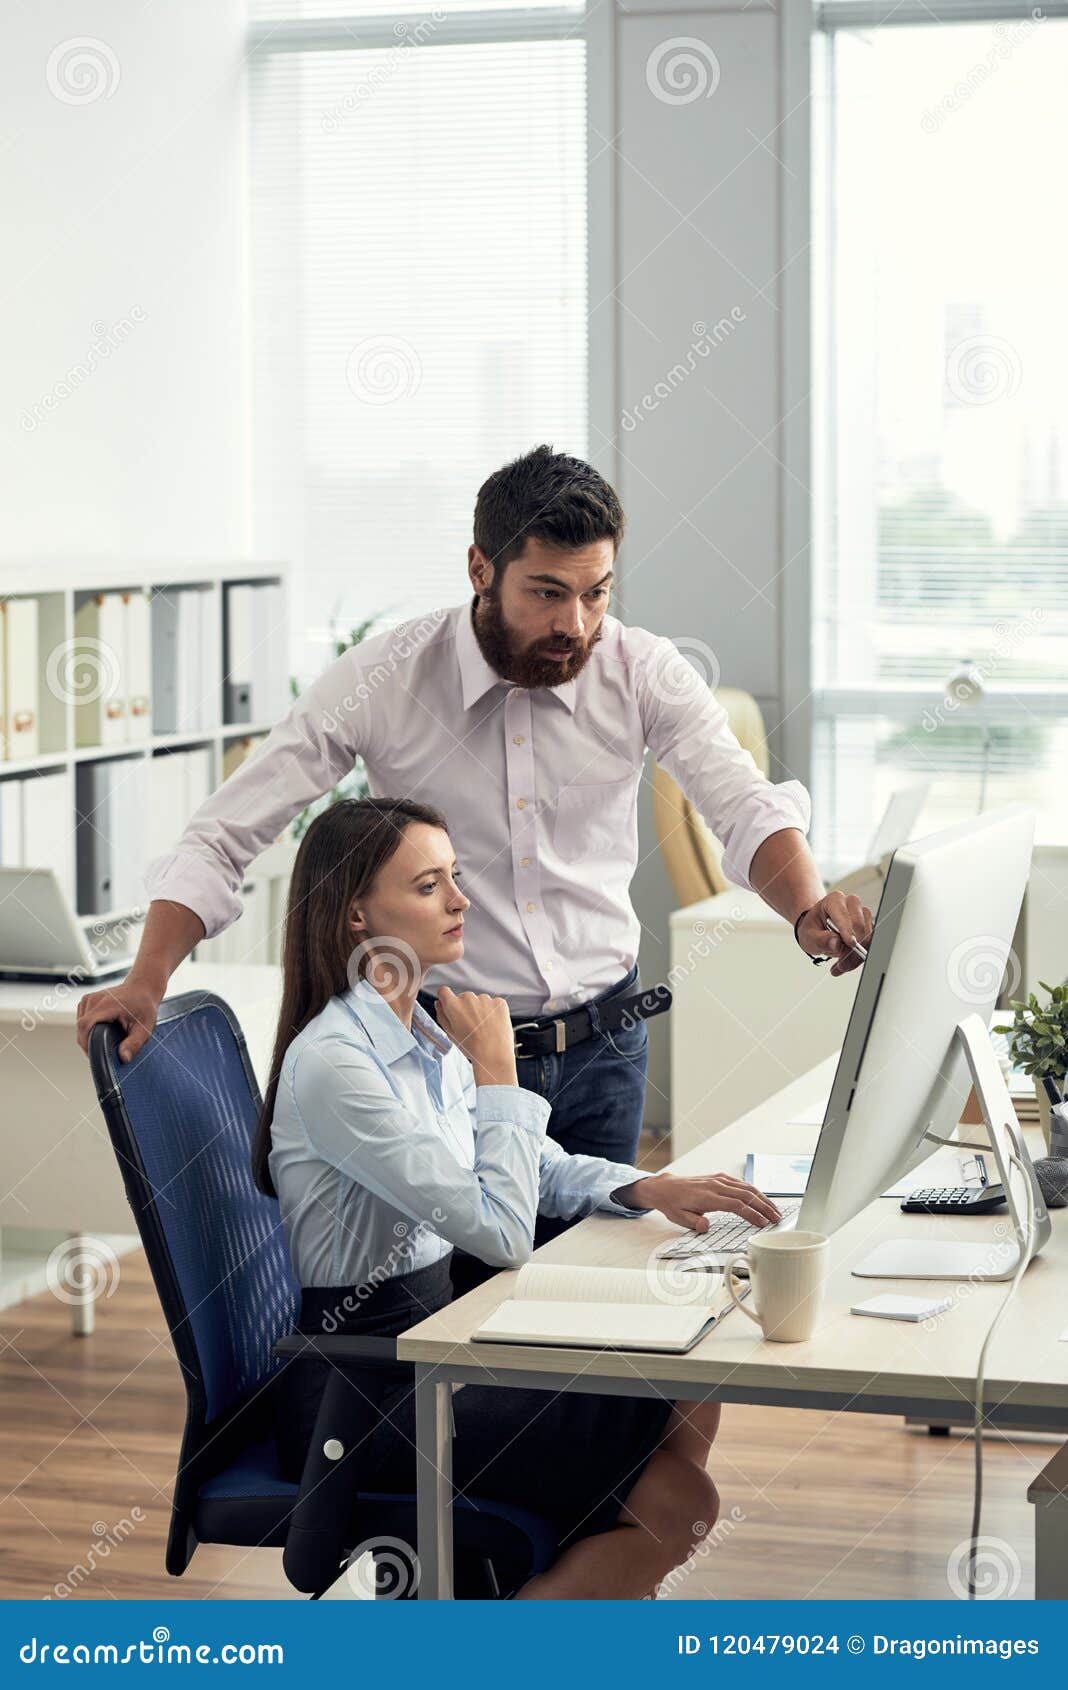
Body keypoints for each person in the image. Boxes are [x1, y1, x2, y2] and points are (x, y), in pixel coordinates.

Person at [76, 444, 872, 1185]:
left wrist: (806, 906)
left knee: (579, 1297)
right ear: (480, 569)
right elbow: (225, 831)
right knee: (462, 1307)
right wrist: (148, 976)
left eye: (596, 594)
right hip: (441, 1052)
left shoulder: (640, 671)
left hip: (606, 1048)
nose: (576, 625)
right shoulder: (384, 679)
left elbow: (740, 799)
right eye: (547, 594)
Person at [258, 795, 783, 1600]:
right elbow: (502, 1235)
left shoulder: (420, 1031)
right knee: (681, 1486)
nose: (462, 900)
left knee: (688, 1405)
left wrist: (643, 1184)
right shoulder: (338, 1065)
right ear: (357, 912)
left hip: (441, 1347)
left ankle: (569, 1584)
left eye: (455, 878)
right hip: (364, 1394)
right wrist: (498, 1070)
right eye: (430, 885)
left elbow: (521, 1159)